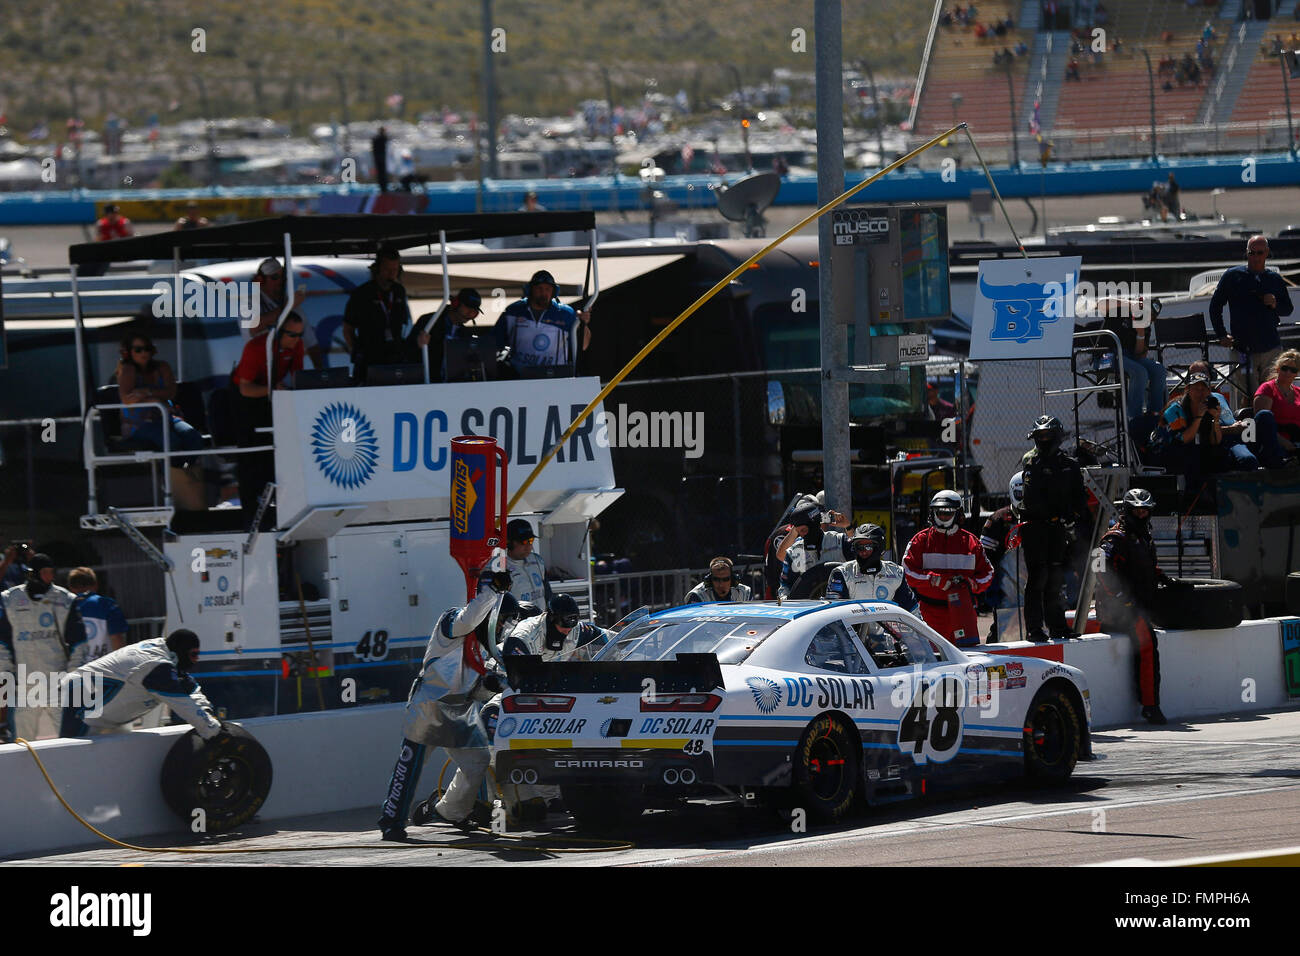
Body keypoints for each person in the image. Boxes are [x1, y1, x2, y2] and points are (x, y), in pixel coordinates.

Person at [377, 563, 522, 840]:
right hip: (428, 707)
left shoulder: (484, 650)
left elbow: (474, 691)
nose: (504, 627)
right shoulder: (452, 621)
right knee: (410, 767)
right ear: (489, 615)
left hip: (459, 711)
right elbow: (469, 620)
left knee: (478, 760)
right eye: (502, 620)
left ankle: (450, 812)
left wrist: (490, 686)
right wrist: (492, 591)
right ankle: (391, 821)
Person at [61, 628, 223, 739]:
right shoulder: (155, 666)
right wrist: (212, 729)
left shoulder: (167, 654)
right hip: (79, 707)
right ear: (180, 652)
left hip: (110, 718)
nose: (197, 660)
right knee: (71, 764)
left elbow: (190, 688)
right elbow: (183, 704)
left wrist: (207, 711)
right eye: (194, 654)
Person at [1095, 489, 1170, 725]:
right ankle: (1150, 706)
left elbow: (1142, 566)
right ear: (1128, 511)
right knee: (1147, 641)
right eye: (1137, 510)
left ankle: (1149, 701)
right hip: (1117, 609)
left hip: (1138, 606)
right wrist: (1121, 598)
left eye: (1145, 510)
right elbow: (1098, 567)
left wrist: (1162, 576)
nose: (1141, 513)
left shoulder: (1144, 534)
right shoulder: (1114, 537)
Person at [0, 554, 87, 742]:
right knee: (21, 744)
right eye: (45, 572)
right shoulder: (9, 600)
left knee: (71, 741)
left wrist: (72, 677)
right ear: (33, 573)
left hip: (58, 682)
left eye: (51, 572)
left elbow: (79, 643)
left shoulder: (65, 599)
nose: (49, 577)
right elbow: (3, 643)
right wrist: (6, 674)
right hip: (24, 684)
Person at [1018, 416, 1089, 642]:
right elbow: (1032, 500)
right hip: (1035, 528)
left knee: (1056, 578)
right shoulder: (1031, 462)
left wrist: (1071, 516)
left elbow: (1080, 499)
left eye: (1048, 435)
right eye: (1040, 436)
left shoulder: (1070, 465)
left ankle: (1058, 626)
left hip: (1059, 529)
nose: (1044, 440)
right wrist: (1054, 513)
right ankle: (1035, 629)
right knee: (1038, 578)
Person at [232, 312, 306, 520]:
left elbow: (297, 377)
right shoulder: (256, 348)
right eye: (292, 335)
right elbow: (245, 389)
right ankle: (251, 512)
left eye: (300, 335)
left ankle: (283, 503)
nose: (296, 340)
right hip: (246, 399)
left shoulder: (296, 346)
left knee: (282, 451)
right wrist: (272, 389)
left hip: (272, 396)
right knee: (251, 455)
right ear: (279, 332)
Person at [902, 491, 993, 647]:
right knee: (934, 660)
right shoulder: (921, 540)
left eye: (948, 513)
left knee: (967, 656)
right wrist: (933, 579)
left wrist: (972, 583)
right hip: (930, 612)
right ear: (933, 513)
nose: (943, 516)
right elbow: (907, 572)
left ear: (958, 514)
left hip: (963, 611)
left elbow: (988, 573)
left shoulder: (972, 542)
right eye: (939, 512)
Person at [1209, 235, 1295, 401]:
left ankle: (1270, 425)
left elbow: (1288, 309)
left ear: (1267, 253)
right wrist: (1221, 334)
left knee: (1272, 395)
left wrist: (1275, 303)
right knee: (1248, 395)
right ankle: (1248, 425)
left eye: (1260, 253)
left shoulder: (1274, 279)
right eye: (1251, 253)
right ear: (1246, 253)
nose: (1255, 257)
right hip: (1242, 349)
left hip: (1270, 349)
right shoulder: (1233, 276)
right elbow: (1215, 306)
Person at [1163, 371, 1259, 487]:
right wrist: (1198, 417)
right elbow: (1184, 439)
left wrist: (1216, 419)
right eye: (1196, 389)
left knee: (1221, 457)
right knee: (1192, 457)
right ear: (1188, 389)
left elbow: (1215, 441)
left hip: (1200, 451)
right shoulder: (1175, 409)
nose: (1200, 393)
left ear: (1209, 391)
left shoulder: (1208, 407)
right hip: (1173, 452)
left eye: (1203, 389)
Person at [115, 331, 204, 455]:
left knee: (192, 436)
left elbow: (171, 392)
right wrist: (155, 400)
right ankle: (178, 472)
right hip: (139, 424)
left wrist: (146, 392)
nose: (144, 353)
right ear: (128, 352)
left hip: (167, 418)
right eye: (138, 350)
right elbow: (127, 400)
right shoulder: (127, 370)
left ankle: (185, 470)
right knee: (171, 441)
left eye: (147, 348)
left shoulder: (162, 367)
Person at [494, 270, 592, 376]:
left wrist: (583, 323)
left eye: (548, 289)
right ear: (530, 290)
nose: (544, 293)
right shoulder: (513, 311)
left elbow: (583, 346)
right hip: (520, 378)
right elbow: (494, 343)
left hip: (556, 378)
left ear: (554, 292)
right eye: (539, 288)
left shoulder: (566, 314)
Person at [343, 246, 415, 384]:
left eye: (395, 270)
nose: (391, 274)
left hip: (395, 357)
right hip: (370, 358)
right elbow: (347, 329)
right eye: (387, 270)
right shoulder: (362, 293)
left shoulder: (399, 291)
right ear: (377, 269)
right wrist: (357, 351)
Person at [1097, 293, 1166, 425]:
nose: (1148, 318)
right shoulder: (1123, 310)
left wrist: (1140, 334)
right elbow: (1100, 303)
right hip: (1108, 355)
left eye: (1152, 317)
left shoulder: (1146, 327)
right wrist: (1130, 304)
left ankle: (1155, 414)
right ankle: (1135, 417)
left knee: (1159, 370)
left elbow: (1140, 355)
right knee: (1140, 372)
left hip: (1129, 357)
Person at [249, 258, 323, 368]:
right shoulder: (249, 303)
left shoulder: (291, 304)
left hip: (289, 369)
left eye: (283, 277)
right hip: (259, 369)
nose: (280, 281)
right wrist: (288, 306)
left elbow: (310, 341)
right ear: (260, 280)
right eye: (275, 277)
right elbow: (254, 327)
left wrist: (321, 372)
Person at [826, 524, 918, 612]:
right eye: (859, 547)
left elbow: (911, 610)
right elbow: (834, 614)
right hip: (853, 628)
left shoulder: (896, 573)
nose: (863, 552)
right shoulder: (842, 573)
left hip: (886, 628)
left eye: (868, 547)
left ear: (880, 547)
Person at [777, 501, 852, 599]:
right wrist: (784, 600)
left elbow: (859, 566)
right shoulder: (796, 552)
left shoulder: (839, 541)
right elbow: (785, 586)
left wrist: (848, 527)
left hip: (841, 606)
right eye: (799, 532)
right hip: (810, 609)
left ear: (814, 525)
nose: (802, 535)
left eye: (804, 530)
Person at [978, 471, 1024, 623]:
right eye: (1020, 493)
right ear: (1012, 491)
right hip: (1006, 591)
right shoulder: (999, 518)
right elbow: (985, 558)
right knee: (1003, 631)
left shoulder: (1043, 516)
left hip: (1036, 588)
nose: (1024, 498)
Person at [420, 288, 483, 382]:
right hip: (427, 384)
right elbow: (406, 353)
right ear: (455, 304)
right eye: (467, 308)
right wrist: (418, 345)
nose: (470, 313)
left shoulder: (465, 335)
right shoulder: (428, 322)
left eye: (474, 312)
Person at [66, 567, 128, 662]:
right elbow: (117, 639)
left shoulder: (63, 607)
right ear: (96, 585)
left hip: (73, 669)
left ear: (71, 588)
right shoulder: (106, 604)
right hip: (104, 667)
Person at [1251, 349, 1300, 467]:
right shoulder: (1267, 388)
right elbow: (1262, 423)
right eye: (1284, 368)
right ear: (1278, 369)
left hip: (1296, 440)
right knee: (1265, 415)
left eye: (1293, 370)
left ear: (1296, 373)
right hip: (1274, 443)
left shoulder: (1298, 392)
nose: (1288, 372)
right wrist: (1286, 444)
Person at [504, 518, 552, 606]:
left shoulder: (538, 561)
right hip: (519, 619)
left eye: (530, 540)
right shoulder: (501, 568)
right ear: (509, 543)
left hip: (541, 618)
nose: (528, 546)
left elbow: (548, 593)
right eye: (524, 541)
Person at [685, 557, 753, 603]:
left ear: (733, 580)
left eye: (726, 579)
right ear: (709, 580)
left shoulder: (745, 592)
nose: (721, 584)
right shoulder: (697, 595)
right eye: (716, 579)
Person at [371, 126, 390, 192]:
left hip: (378, 158)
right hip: (381, 158)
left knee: (381, 174)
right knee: (382, 174)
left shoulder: (376, 139)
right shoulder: (382, 138)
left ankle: (383, 188)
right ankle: (383, 188)